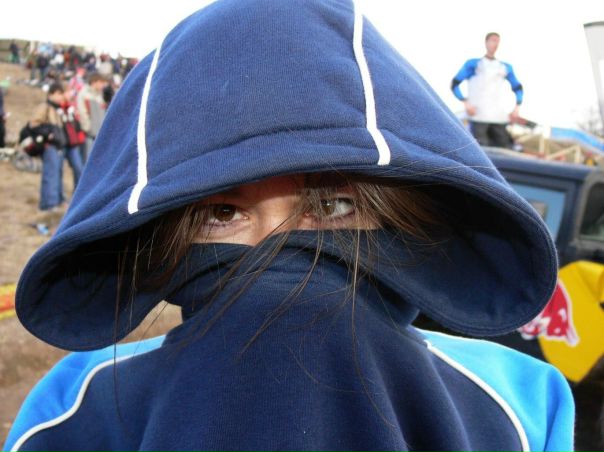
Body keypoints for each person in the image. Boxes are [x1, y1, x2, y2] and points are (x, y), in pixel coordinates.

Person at [5, 2, 573, 452]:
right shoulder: (74, 409)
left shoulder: (524, 405)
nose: (278, 255)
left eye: (332, 207)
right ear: (164, 239)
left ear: (401, 219)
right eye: (222, 214)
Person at [451, 32, 524, 148]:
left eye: (498, 41)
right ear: (486, 42)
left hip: (499, 118)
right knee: (479, 149)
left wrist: (516, 108)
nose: (495, 44)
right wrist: (466, 103)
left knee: (504, 150)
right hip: (478, 116)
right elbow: (455, 84)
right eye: (493, 40)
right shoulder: (474, 64)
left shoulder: (505, 67)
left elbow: (518, 87)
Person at [29, 82, 83, 211]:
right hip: (49, 145)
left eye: (61, 94)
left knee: (57, 173)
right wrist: (49, 134)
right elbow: (34, 124)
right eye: (58, 94)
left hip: (58, 145)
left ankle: (58, 200)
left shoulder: (59, 108)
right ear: (51, 94)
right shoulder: (45, 107)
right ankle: (49, 204)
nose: (61, 96)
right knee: (51, 174)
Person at [75, 72, 107, 162]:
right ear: (94, 82)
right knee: (87, 158)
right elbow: (82, 112)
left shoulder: (98, 95)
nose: (103, 85)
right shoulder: (84, 94)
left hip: (98, 132)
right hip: (89, 133)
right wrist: (87, 128)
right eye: (101, 82)